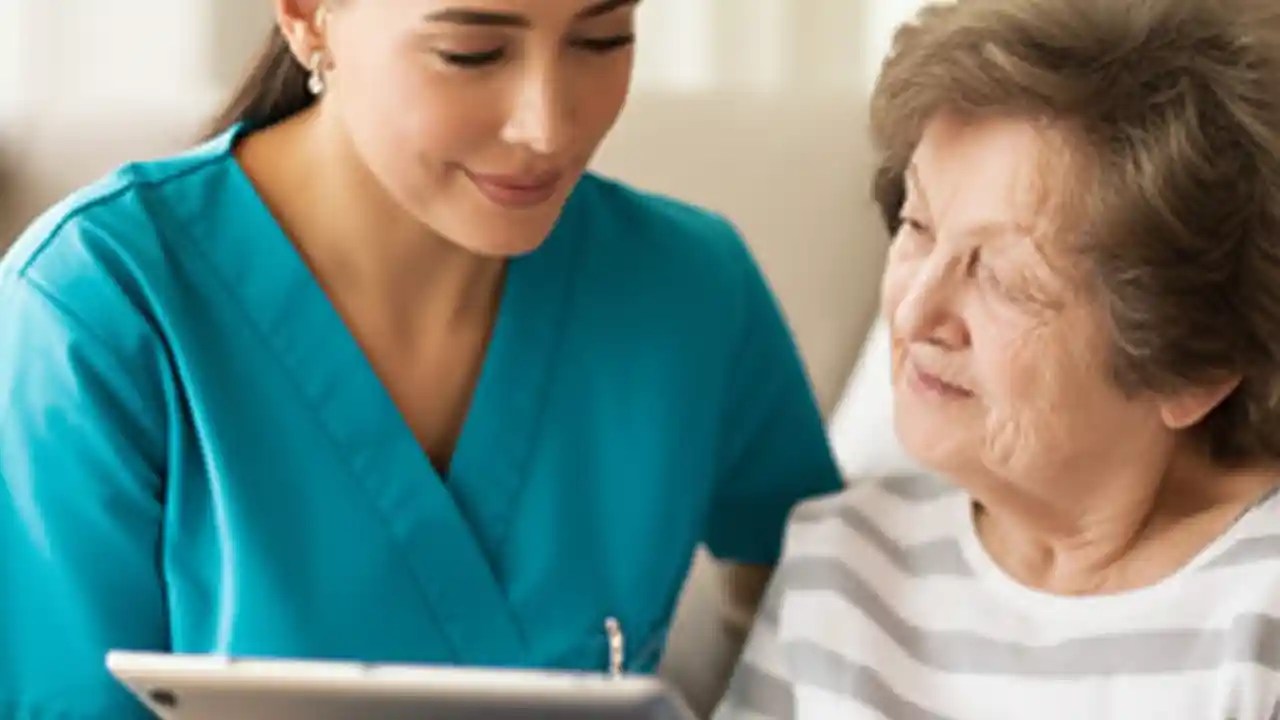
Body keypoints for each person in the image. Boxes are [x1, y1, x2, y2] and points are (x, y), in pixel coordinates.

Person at [0, 1, 842, 716]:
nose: (546, 126)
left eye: (602, 38)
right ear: (306, 15)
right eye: (469, 53)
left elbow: (844, 592)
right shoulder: (97, 305)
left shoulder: (692, 289)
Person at [714, 0, 1280, 717]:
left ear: (1192, 364)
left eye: (1006, 281)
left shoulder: (1260, 609)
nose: (916, 313)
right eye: (917, 226)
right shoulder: (843, 561)